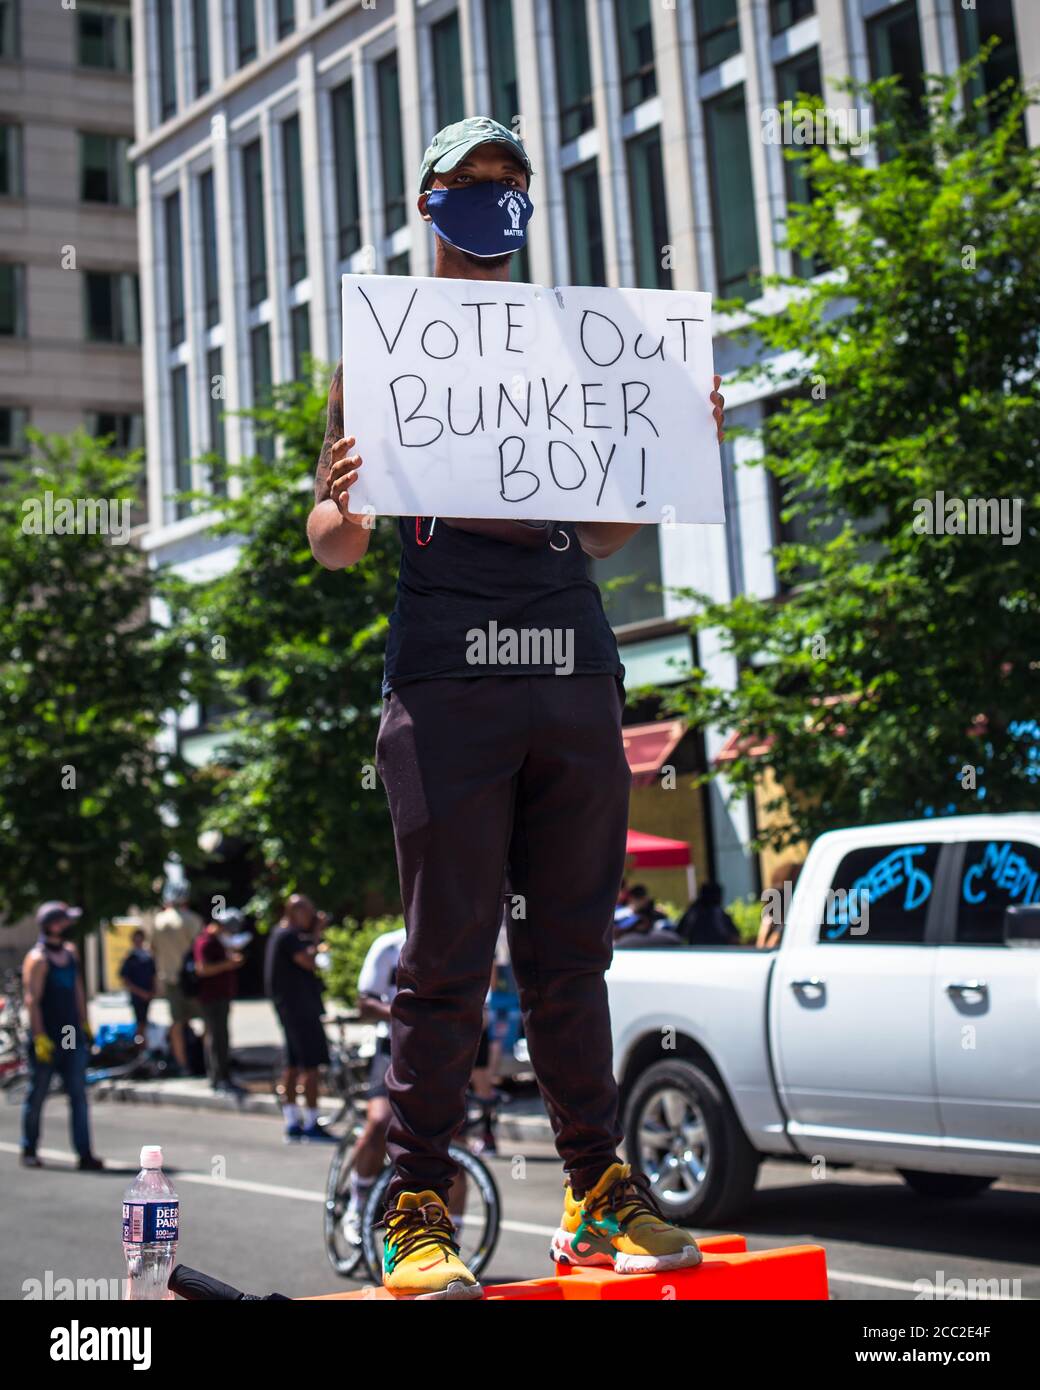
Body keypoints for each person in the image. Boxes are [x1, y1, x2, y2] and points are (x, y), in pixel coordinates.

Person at [307, 115, 726, 1299]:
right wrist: (339, 497)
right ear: (429, 200)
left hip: (569, 663)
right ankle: (417, 1209)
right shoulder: (384, 346)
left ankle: (597, 1189)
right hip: (447, 679)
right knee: (444, 956)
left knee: (572, 954)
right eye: (473, 183)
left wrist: (658, 460)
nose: (495, 201)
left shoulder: (570, 341)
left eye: (512, 185)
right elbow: (334, 542)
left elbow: (592, 525)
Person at [20, 902, 103, 1170]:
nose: (68, 925)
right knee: (38, 1095)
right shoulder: (37, 959)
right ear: (53, 924)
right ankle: (29, 1148)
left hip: (72, 1035)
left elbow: (78, 990)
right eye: (64, 920)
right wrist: (39, 1036)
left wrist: (85, 1023)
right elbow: (32, 1001)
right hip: (49, 1037)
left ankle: (85, 1153)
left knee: (78, 1095)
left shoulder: (70, 953)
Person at [265, 893, 337, 1143]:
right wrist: (317, 932)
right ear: (296, 912)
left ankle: (293, 1122)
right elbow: (308, 961)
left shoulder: (281, 934)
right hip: (300, 1010)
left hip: (293, 1009)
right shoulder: (289, 936)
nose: (312, 916)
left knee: (294, 1065)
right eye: (308, 912)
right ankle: (311, 1124)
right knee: (311, 1066)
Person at [193, 907, 246, 1096]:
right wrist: (228, 964)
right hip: (211, 997)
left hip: (221, 995)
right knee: (216, 1038)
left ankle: (223, 1075)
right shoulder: (206, 941)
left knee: (222, 1036)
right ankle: (218, 1078)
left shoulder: (218, 941)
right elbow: (202, 969)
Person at [151, 883, 202, 1074]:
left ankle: (182, 1065)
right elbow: (200, 949)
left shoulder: (158, 921)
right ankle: (207, 1061)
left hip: (169, 978)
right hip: (192, 979)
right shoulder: (193, 920)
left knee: (176, 1022)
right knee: (205, 1020)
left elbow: (153, 949)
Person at [676, 882, 741, 946]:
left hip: (697, 952)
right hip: (718, 952)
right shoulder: (717, 913)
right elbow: (734, 937)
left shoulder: (693, 912)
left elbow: (679, 934)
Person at [119, 929, 157, 1034]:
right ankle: (139, 1046)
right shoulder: (130, 958)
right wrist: (140, 993)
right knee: (140, 1022)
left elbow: (153, 975)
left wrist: (152, 991)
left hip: (148, 994)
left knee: (144, 1022)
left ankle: (143, 1044)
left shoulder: (149, 957)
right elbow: (125, 979)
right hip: (136, 996)